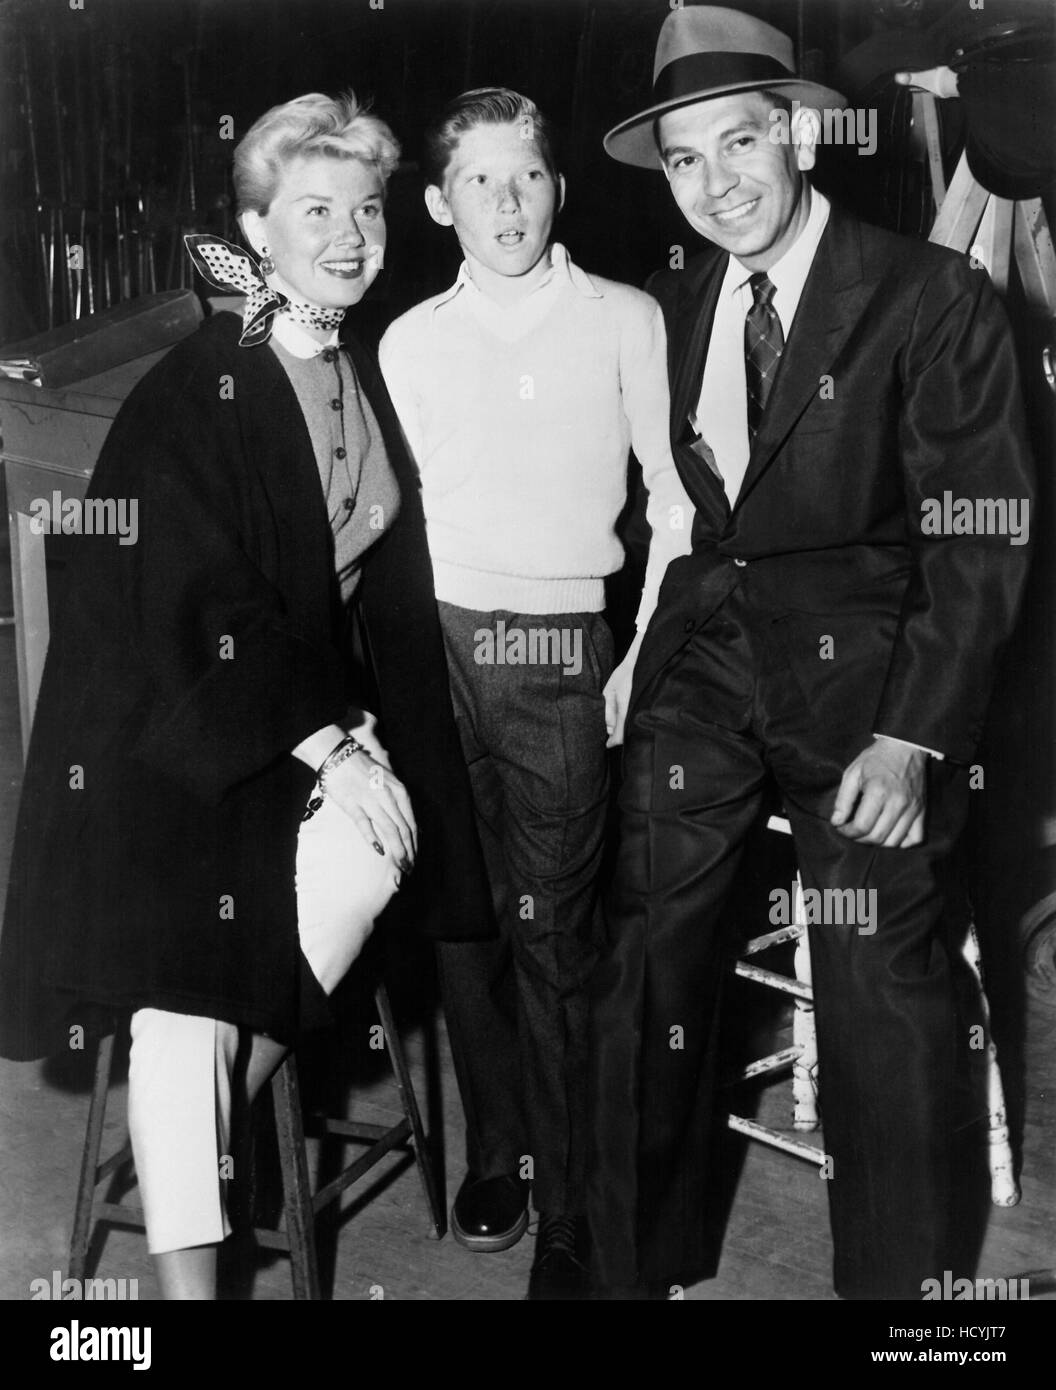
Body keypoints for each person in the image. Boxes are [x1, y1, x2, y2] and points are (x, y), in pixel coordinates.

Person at [0, 91, 489, 1300]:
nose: (348, 233)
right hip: (169, 746)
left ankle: (196, 1137)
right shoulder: (205, 384)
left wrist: (375, 744)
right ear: (256, 228)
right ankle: (184, 1297)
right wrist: (337, 745)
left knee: (374, 857)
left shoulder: (354, 367)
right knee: (181, 1009)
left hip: (299, 729)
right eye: (314, 209)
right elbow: (203, 608)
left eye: (366, 209)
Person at [587, 7, 1034, 1300]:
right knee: (643, 947)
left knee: (875, 979)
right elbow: (676, 515)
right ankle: (629, 1262)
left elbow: (980, 535)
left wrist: (915, 737)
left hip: (872, 691)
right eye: (685, 159)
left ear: (798, 134)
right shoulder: (670, 304)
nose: (717, 182)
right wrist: (635, 662)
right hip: (705, 675)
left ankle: (898, 1303)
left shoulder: (928, 294)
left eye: (740, 142)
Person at [379, 88, 693, 1299]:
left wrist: (632, 656)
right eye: (478, 182)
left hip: (562, 648)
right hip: (436, 649)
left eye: (527, 177)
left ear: (559, 188)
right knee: (462, 918)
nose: (505, 204)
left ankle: (569, 1213)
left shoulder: (622, 319)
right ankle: (504, 1147)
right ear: (438, 203)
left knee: (554, 938)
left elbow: (671, 502)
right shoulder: (408, 341)